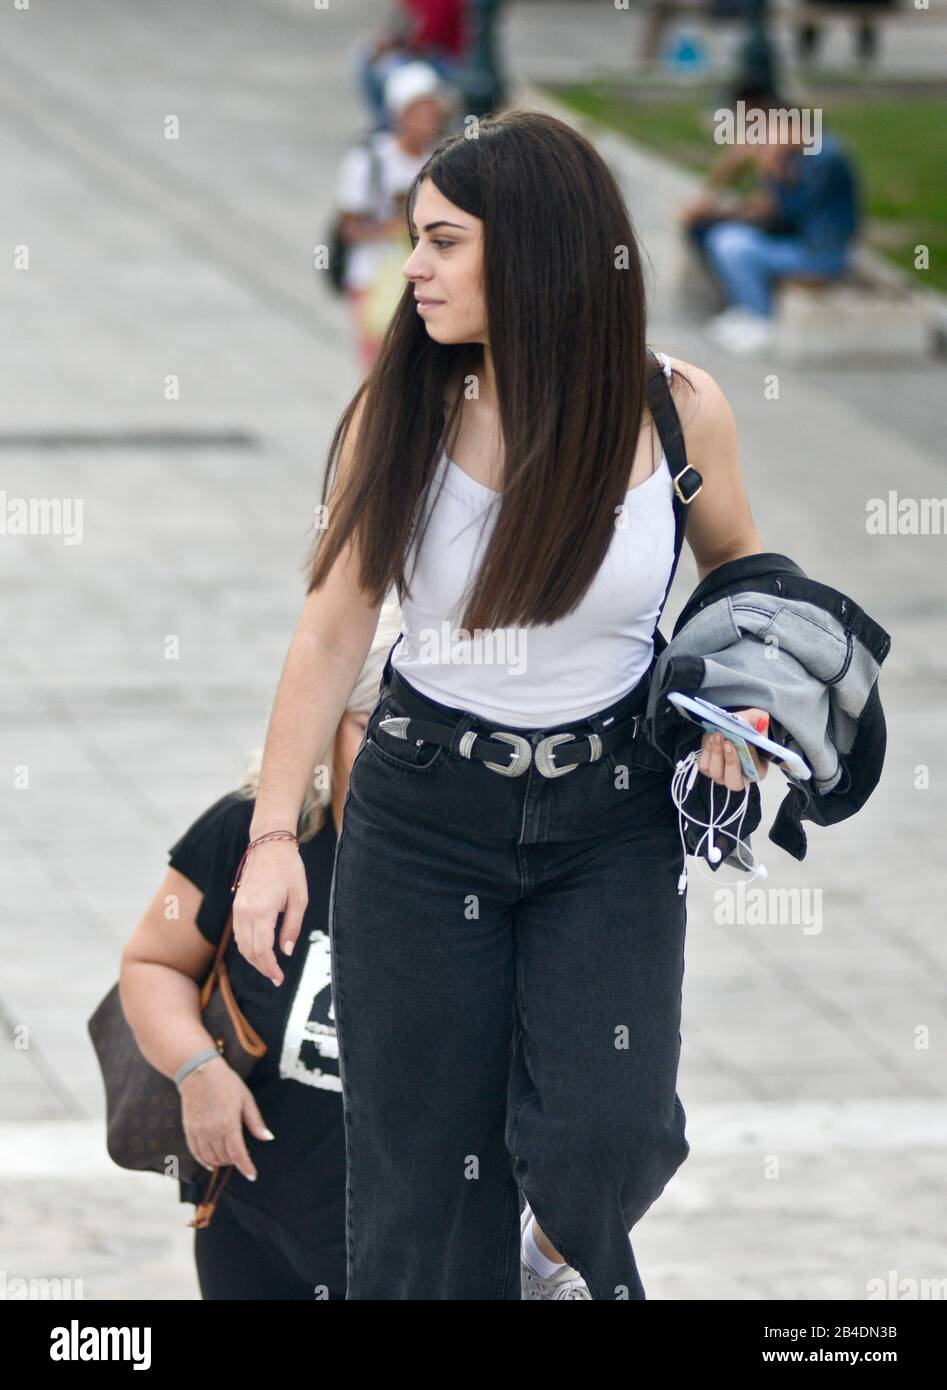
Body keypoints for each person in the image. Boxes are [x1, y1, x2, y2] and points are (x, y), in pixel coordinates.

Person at [232, 110, 771, 1300]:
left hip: (611, 819)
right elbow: (330, 629)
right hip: (423, 818)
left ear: (529, 250)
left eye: (440, 241)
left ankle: (550, 1261)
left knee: (609, 1138)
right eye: (415, 240)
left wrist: (743, 716)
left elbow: (742, 579)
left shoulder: (679, 412)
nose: (410, 268)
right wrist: (274, 834)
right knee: (422, 1185)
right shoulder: (402, 415)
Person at [118, 601, 403, 1299]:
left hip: (418, 1241)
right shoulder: (251, 834)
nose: (389, 761)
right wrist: (197, 1071)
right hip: (252, 1217)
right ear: (326, 724)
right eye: (370, 729)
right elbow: (153, 963)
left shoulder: (480, 866)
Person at [680, 89, 861, 352]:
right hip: (801, 243)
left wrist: (773, 168)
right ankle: (745, 311)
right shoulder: (800, 153)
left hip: (821, 255)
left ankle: (760, 321)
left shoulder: (824, 157)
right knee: (718, 234)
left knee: (731, 244)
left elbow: (788, 211)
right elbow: (774, 208)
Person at [337, 61, 454, 371]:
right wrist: (396, 228)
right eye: (418, 111)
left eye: (433, 111)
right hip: (373, 275)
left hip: (426, 276)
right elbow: (349, 227)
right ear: (399, 114)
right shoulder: (370, 160)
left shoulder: (443, 158)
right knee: (379, 365)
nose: (428, 120)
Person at [354, 0, 467, 133]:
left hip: (441, 59)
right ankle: (382, 123)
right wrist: (384, 44)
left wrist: (395, 48)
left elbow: (429, 38)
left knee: (388, 71)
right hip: (413, 52)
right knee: (364, 55)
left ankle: (387, 126)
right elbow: (396, 24)